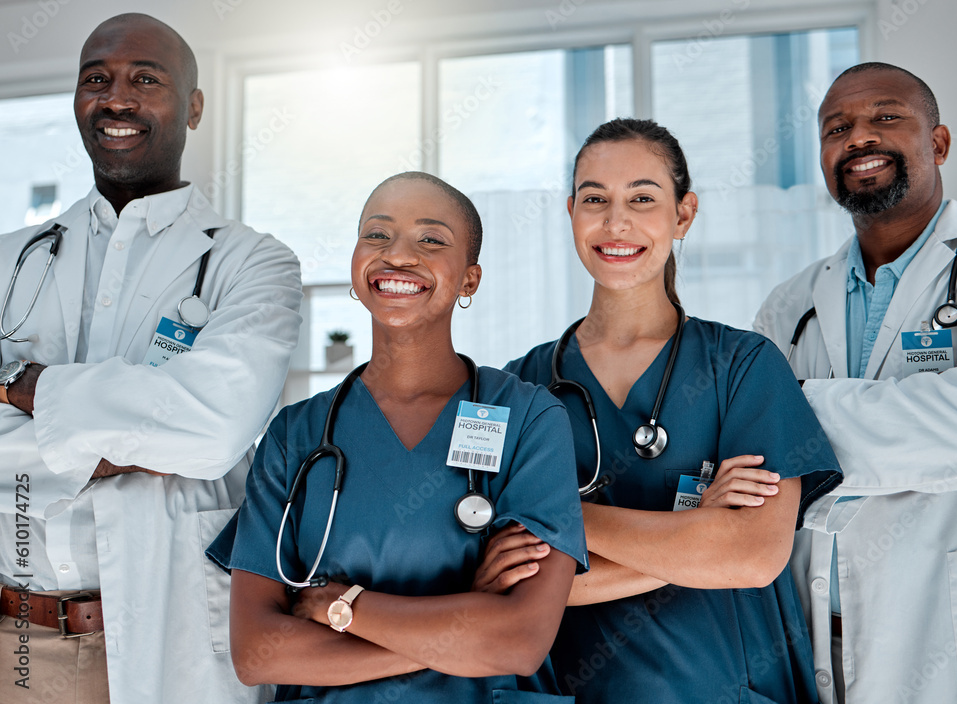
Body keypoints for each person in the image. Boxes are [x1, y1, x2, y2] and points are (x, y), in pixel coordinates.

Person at [473, 118, 843, 703]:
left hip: (724, 686)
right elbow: (496, 583)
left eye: (642, 198)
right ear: (571, 212)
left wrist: (557, 519)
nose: (615, 222)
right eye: (595, 199)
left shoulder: (744, 366)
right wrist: (703, 535)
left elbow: (753, 554)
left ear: (684, 214)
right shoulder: (513, 390)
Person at [0, 13, 301, 704]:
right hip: (20, 639)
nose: (117, 98)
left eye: (146, 79)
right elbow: (182, 435)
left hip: (173, 635)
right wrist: (132, 438)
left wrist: (24, 392)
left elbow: (213, 431)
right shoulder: (8, 260)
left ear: (193, 107)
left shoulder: (253, 264)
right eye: (96, 80)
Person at [206, 171, 587, 703]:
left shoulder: (527, 417)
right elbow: (257, 654)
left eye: (430, 240)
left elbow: (518, 641)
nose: (399, 255)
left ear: (470, 280)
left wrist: (342, 608)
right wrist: (458, 623)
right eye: (377, 235)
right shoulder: (296, 435)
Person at [754, 62, 957, 704]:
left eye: (885, 116)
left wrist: (792, 414)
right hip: (815, 629)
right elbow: (750, 465)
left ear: (938, 143)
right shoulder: (791, 303)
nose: (859, 137)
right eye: (837, 128)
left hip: (953, 632)